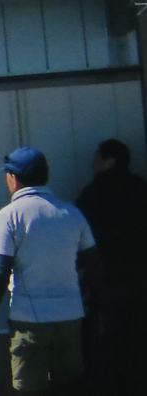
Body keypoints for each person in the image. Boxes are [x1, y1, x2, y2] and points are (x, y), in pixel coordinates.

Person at [0, 146, 100, 394]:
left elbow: (0, 268)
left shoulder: (9, 215)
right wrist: (93, 302)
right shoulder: (72, 213)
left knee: (30, 388)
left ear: (14, 179)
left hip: (29, 318)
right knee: (68, 384)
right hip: (70, 316)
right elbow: (93, 261)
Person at [75, 138, 147, 393]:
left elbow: (80, 239)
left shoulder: (92, 194)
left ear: (110, 162)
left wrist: (81, 273)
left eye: (97, 157)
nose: (92, 162)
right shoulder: (141, 189)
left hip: (106, 280)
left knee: (105, 341)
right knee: (138, 339)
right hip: (141, 278)